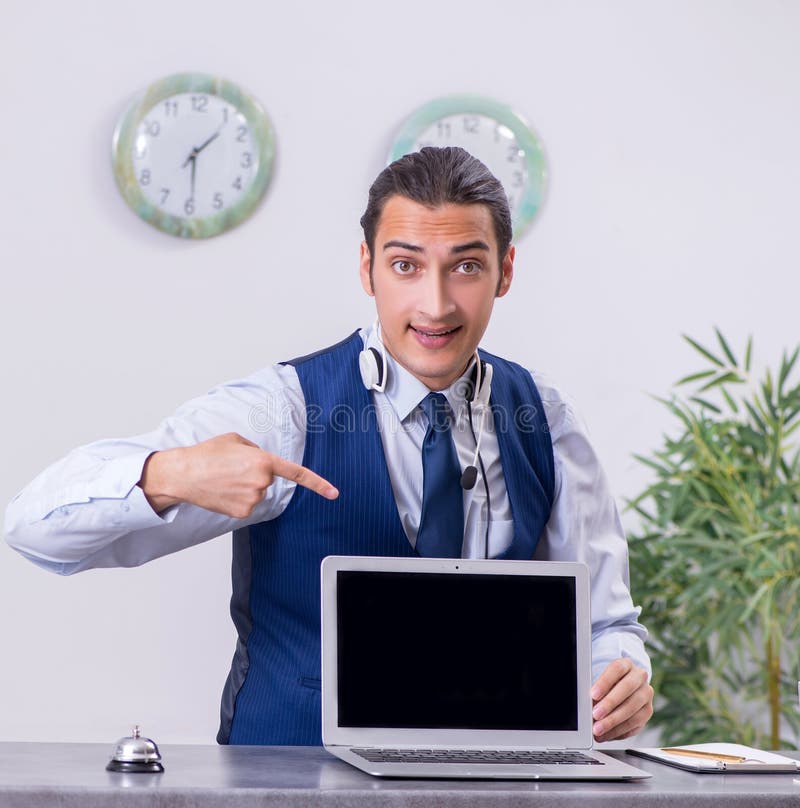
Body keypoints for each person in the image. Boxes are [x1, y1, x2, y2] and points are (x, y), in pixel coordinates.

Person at [5, 146, 653, 746]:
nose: (435, 303)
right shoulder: (281, 410)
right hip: (290, 787)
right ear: (368, 269)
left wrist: (620, 678)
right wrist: (169, 474)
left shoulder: (547, 419)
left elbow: (604, 627)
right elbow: (33, 530)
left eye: (466, 266)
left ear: (504, 271)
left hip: (484, 785)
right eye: (406, 265)